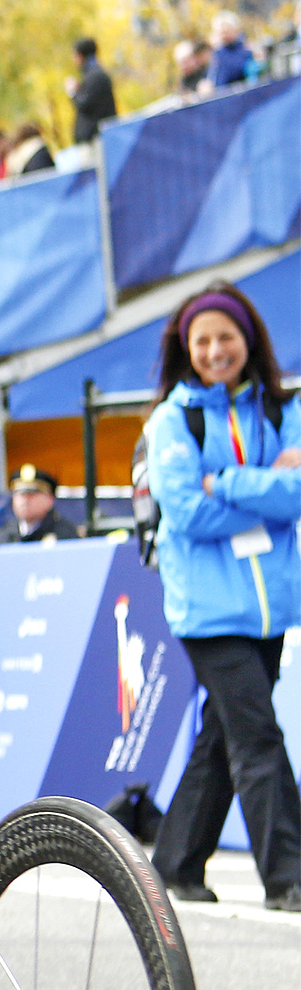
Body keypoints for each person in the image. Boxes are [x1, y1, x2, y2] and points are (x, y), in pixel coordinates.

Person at [144, 284, 301, 911]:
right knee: (257, 733)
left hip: (269, 609)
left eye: (224, 338)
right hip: (208, 612)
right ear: (187, 349)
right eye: (201, 341)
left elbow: (298, 496)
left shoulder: (279, 407)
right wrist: (268, 487)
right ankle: (289, 877)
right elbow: (185, 511)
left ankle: (176, 865)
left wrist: (227, 481)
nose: (214, 351)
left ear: (248, 340)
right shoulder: (172, 420)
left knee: (223, 732)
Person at [0, 464, 81, 543]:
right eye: (20, 494)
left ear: (49, 499)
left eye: (31, 494)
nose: (25, 500)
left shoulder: (65, 534)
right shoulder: (2, 536)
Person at [66, 37, 118, 144]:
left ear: (80, 56)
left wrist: (73, 93)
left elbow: (85, 105)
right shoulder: (95, 75)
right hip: (99, 137)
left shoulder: (94, 76)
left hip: (95, 139)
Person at [208, 11, 257, 88]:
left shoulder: (246, 50)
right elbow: (213, 77)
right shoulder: (218, 54)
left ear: (235, 30)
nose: (224, 36)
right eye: (221, 33)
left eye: (226, 32)